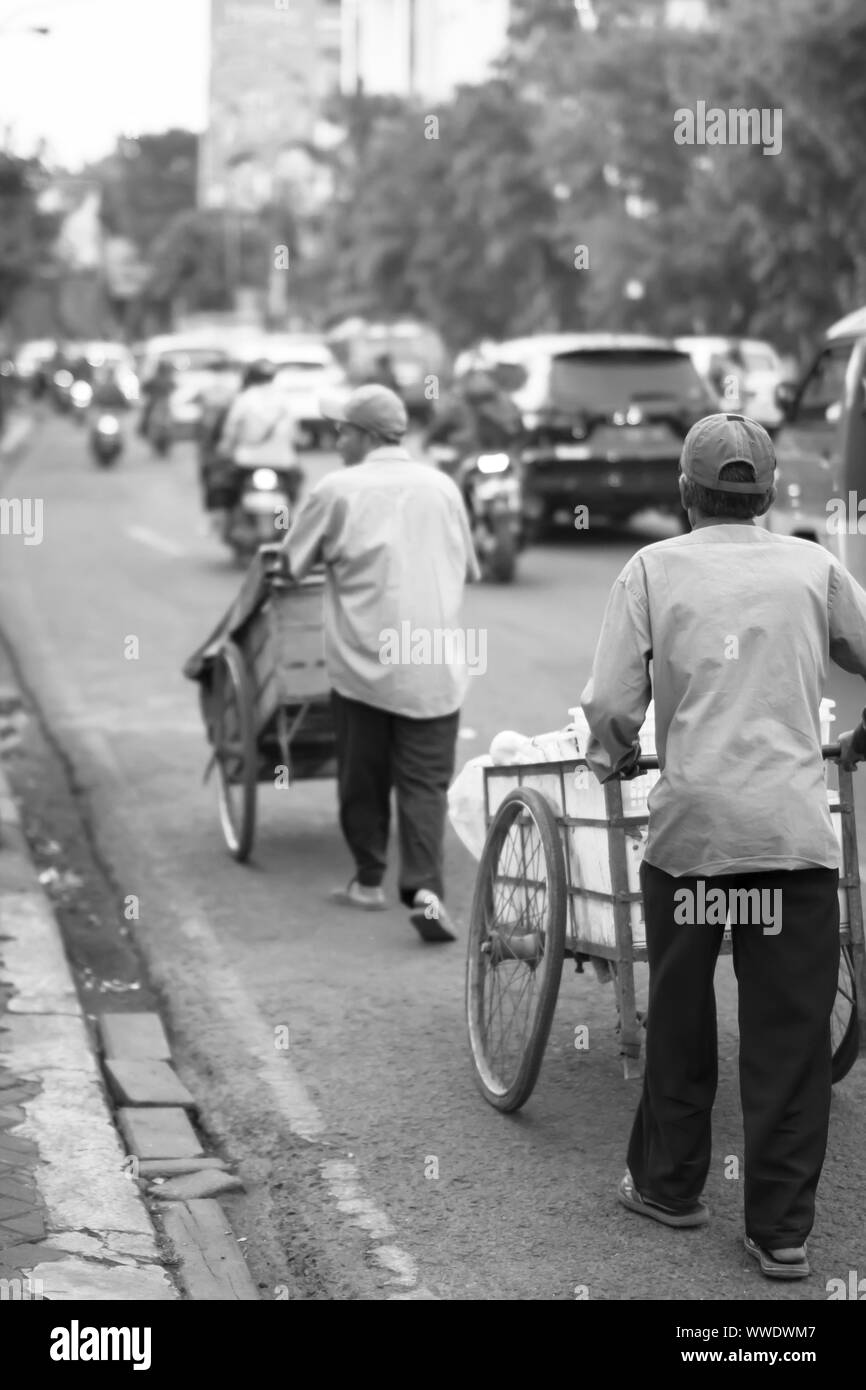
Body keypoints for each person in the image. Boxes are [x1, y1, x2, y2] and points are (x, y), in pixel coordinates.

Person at [579, 412, 866, 1282]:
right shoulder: (815, 567)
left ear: (685, 494)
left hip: (694, 845)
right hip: (789, 841)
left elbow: (610, 701)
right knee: (788, 1038)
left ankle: (670, 1187)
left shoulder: (653, 569)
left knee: (679, 1014)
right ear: (770, 494)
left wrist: (615, 750)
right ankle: (780, 1233)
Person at [281, 384, 480, 943]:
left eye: (342, 430)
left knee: (363, 777)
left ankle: (368, 881)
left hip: (364, 668)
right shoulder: (442, 487)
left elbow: (291, 566)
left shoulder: (336, 490)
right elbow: (468, 566)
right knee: (424, 784)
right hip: (435, 667)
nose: (337, 439)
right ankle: (425, 890)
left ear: (365, 436)